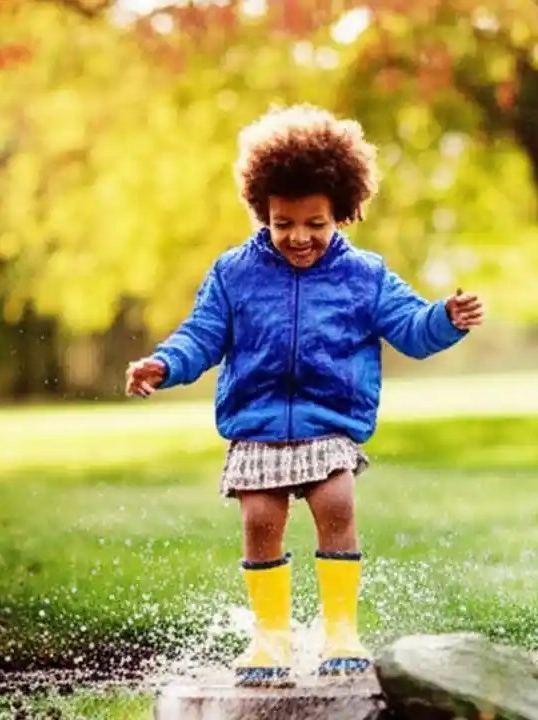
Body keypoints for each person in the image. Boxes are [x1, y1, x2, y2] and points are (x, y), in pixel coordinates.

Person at [124, 104, 484, 686]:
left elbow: (414, 330)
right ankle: (270, 638)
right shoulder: (233, 273)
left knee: (336, 505)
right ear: (262, 210)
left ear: (341, 211)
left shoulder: (365, 275)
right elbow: (202, 335)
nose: (298, 237)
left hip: (329, 421)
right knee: (260, 520)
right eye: (282, 222)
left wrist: (446, 318)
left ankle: (341, 629)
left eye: (315, 223)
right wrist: (164, 364)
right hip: (258, 423)